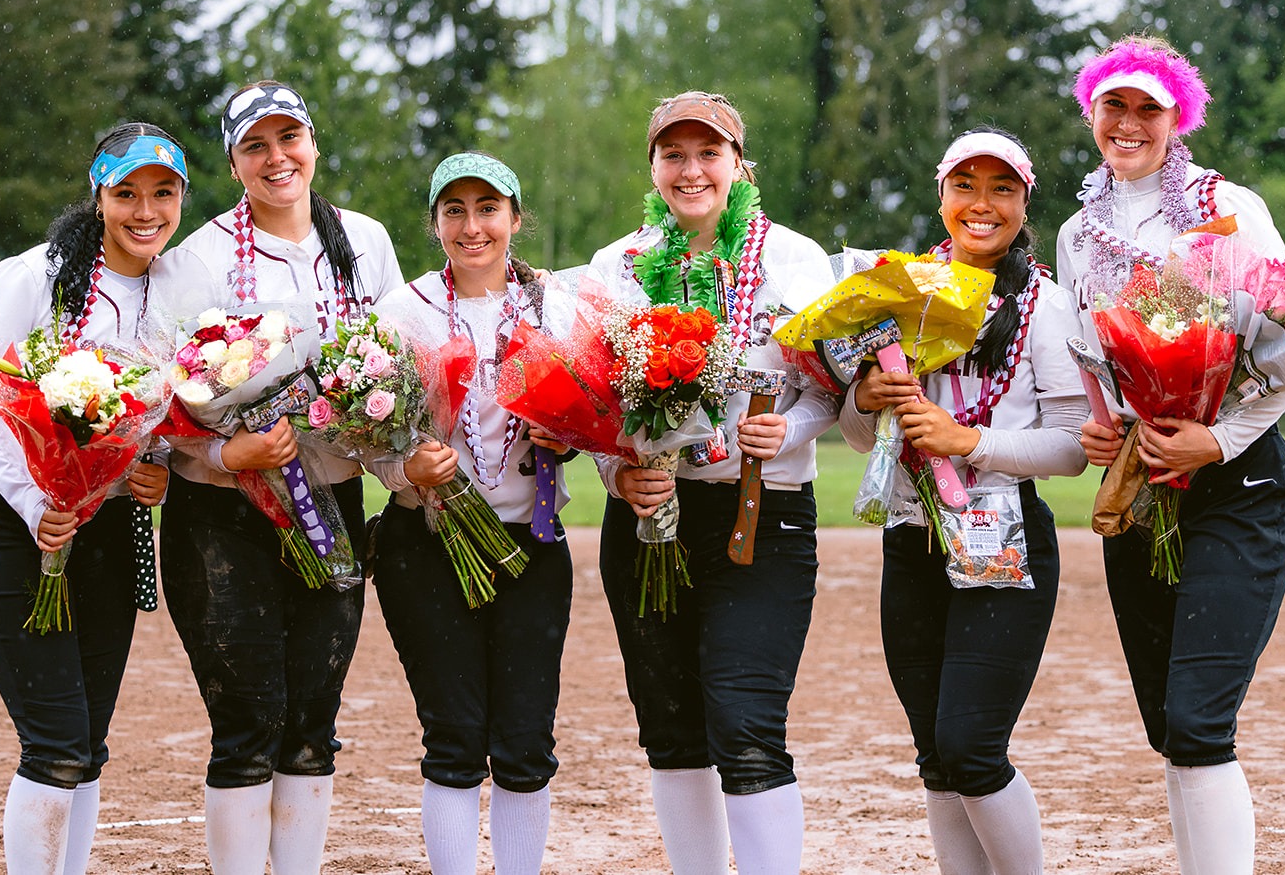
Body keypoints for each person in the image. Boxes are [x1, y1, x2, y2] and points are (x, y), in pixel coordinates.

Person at [1055, 35, 1285, 875]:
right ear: (1093, 112)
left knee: (1200, 720)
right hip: (1146, 490)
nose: (1128, 123)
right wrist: (1104, 431)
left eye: (1147, 108)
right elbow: (1096, 365)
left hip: (1241, 482)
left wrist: (1217, 436)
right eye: (1112, 106)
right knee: (1170, 723)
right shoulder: (1074, 235)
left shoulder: (1227, 206)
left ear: (1177, 116)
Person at [150, 81, 403, 875]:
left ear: (314, 144)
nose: (276, 157)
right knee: (247, 717)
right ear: (234, 161)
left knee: (311, 718)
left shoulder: (363, 240)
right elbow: (165, 394)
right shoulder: (198, 258)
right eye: (255, 144)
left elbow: (400, 365)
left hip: (332, 498)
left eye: (288, 137)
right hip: (222, 514)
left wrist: (380, 432)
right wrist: (228, 455)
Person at [588, 91, 838, 875]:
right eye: (674, 155)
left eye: (708, 153)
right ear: (654, 167)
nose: (691, 169)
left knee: (747, 720)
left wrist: (788, 429)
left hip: (761, 514)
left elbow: (832, 386)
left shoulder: (795, 257)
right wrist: (620, 472)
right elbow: (592, 403)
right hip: (649, 521)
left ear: (739, 163)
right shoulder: (616, 265)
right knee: (670, 724)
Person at [840, 130, 1087, 874]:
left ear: (1024, 201)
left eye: (1002, 188)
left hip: (1004, 536)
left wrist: (967, 440)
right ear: (942, 196)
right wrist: (864, 395)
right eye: (965, 186)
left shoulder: (1045, 303)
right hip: (915, 536)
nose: (982, 205)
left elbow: (1073, 446)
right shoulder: (897, 288)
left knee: (973, 745)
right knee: (937, 756)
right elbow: (857, 435)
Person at [0, 123, 189, 874]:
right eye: (126, 193)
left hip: (112, 536)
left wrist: (161, 467)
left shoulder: (179, 287)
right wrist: (33, 497)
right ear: (99, 195)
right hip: (17, 529)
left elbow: (175, 413)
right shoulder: (35, 274)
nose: (145, 210)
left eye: (163, 192)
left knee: (85, 748)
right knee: (53, 744)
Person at [369, 152, 573, 875]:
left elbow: (599, 412)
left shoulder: (557, 304)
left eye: (488, 207)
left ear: (516, 218)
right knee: (453, 737)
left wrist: (570, 433)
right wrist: (403, 466)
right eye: (453, 209)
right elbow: (357, 427)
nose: (472, 225)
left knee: (524, 742)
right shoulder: (403, 310)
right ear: (434, 223)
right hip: (424, 542)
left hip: (535, 544)